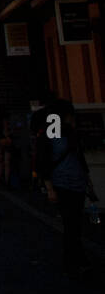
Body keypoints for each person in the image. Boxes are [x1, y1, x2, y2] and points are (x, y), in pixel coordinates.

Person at [36, 99, 94, 275]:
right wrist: (50, 188)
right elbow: (43, 162)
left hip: (72, 182)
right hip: (64, 183)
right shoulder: (56, 134)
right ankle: (74, 261)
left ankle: (76, 259)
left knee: (73, 223)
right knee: (72, 224)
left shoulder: (66, 133)